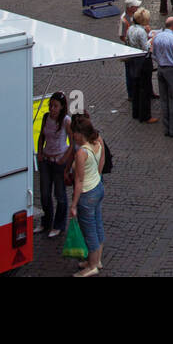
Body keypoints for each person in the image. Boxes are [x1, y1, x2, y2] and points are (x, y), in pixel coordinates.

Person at [69, 114, 106, 277]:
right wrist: (97, 177)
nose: (72, 137)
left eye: (73, 134)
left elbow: (79, 181)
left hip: (87, 194)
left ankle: (92, 266)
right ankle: (96, 260)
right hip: (98, 188)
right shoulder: (97, 142)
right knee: (98, 225)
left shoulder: (81, 153)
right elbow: (101, 161)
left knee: (89, 230)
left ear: (79, 134)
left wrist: (74, 204)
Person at [35, 91, 73, 239]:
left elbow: (72, 141)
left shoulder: (66, 121)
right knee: (44, 194)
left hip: (58, 161)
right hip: (46, 160)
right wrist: (39, 152)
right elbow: (41, 137)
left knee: (60, 194)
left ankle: (58, 225)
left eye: (55, 106)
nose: (52, 109)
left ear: (62, 107)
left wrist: (65, 159)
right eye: (51, 106)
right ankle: (46, 222)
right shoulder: (46, 117)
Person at [126, 8, 157, 123]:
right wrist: (152, 38)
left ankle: (136, 112)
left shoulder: (131, 28)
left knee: (136, 86)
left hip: (134, 59)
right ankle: (145, 116)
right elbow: (146, 47)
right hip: (144, 61)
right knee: (145, 88)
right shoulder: (141, 31)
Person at [119, 0, 144, 97]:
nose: (137, 7)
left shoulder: (135, 15)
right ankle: (131, 94)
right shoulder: (123, 19)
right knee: (129, 72)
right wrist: (131, 43)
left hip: (136, 48)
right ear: (130, 7)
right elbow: (121, 36)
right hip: (129, 50)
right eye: (135, 6)